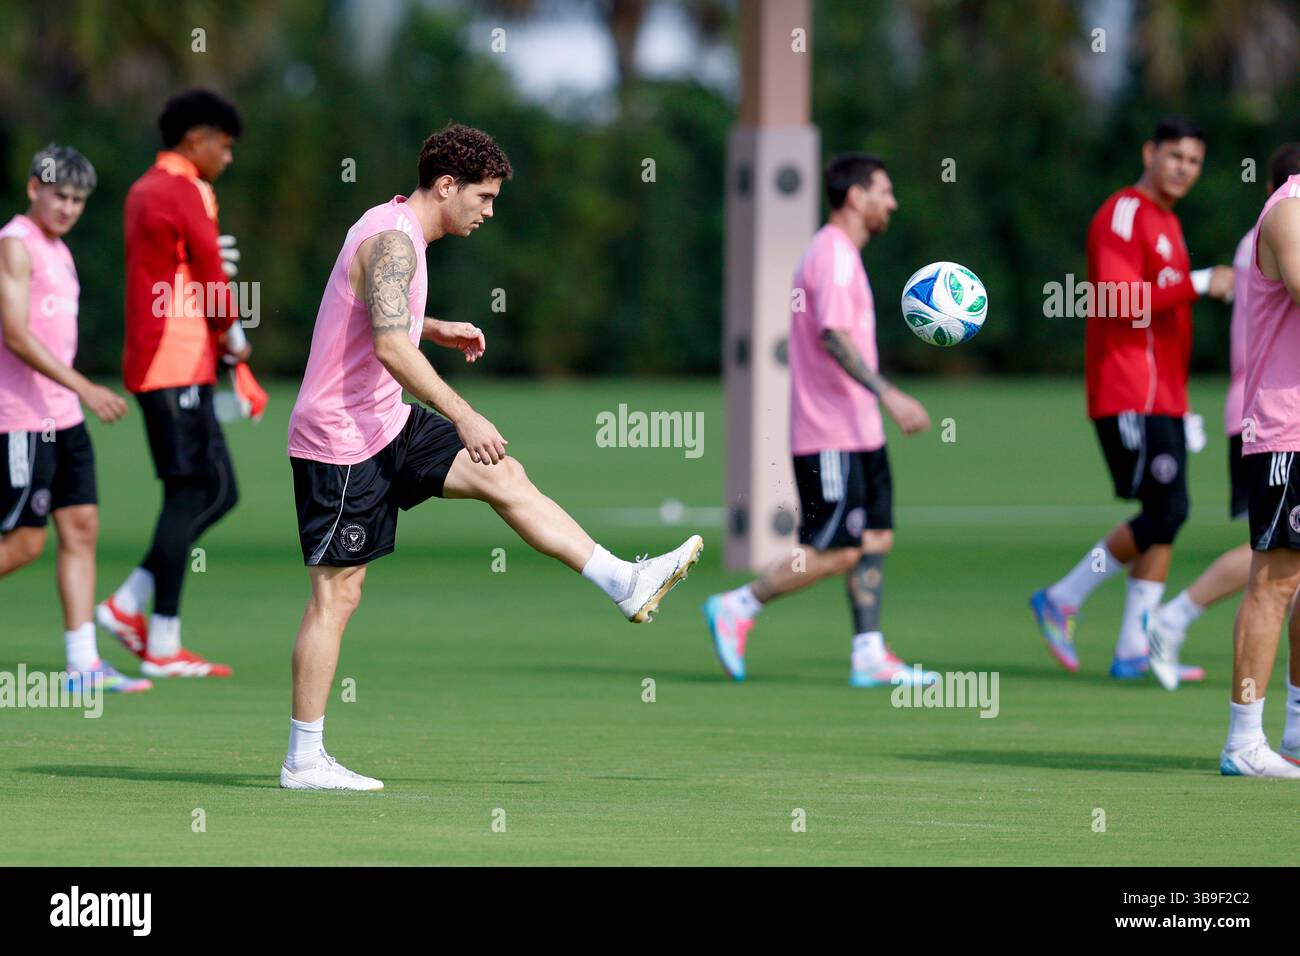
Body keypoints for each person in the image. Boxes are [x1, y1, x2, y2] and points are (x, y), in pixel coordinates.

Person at [280, 123, 702, 791]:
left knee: (502, 473)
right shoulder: (394, 242)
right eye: (483, 196)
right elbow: (389, 348)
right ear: (447, 185)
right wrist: (464, 411)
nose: (489, 210)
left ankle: (624, 581)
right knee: (338, 595)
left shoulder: (398, 231)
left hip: (386, 422)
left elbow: (380, 320)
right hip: (340, 442)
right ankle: (304, 760)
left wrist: (433, 326)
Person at [702, 153, 936, 688]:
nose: (893, 203)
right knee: (835, 551)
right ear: (856, 197)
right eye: (885, 191)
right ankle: (739, 605)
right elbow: (834, 337)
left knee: (875, 537)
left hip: (861, 433)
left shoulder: (846, 256)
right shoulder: (830, 255)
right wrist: (891, 395)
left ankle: (869, 653)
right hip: (827, 433)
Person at [1030, 116, 1233, 681]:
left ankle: (1131, 650)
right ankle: (1063, 597)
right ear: (1149, 153)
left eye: (1193, 161)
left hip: (1161, 397)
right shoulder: (1124, 213)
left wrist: (1183, 401)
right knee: (1168, 511)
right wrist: (1196, 282)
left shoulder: (1167, 220)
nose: (1184, 170)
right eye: (1175, 157)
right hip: (1127, 391)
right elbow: (1120, 301)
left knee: (1165, 517)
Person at [97, 89, 249, 678]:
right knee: (192, 492)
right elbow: (211, 271)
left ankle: (130, 606)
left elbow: (182, 265)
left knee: (213, 490)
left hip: (164, 363)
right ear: (196, 140)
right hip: (175, 362)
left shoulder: (143, 189)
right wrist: (234, 334)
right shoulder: (187, 189)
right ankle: (158, 640)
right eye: (224, 145)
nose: (228, 158)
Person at [1147, 143, 1300, 690]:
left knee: (1283, 560)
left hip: (1263, 405)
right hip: (1266, 411)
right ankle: (1175, 615)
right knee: (1273, 558)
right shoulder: (1278, 224)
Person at [0, 144, 148, 693]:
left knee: (81, 528)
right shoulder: (16, 244)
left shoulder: (58, 249)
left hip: (62, 419)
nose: (67, 207)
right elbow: (16, 335)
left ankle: (82, 665)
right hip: (20, 418)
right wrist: (85, 385)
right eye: (59, 195)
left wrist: (74, 396)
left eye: (78, 199)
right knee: (23, 544)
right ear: (34, 188)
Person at [1220, 166, 1300, 777]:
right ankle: (1244, 741)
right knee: (1274, 581)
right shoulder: (1289, 209)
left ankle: (1297, 724)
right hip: (1287, 428)